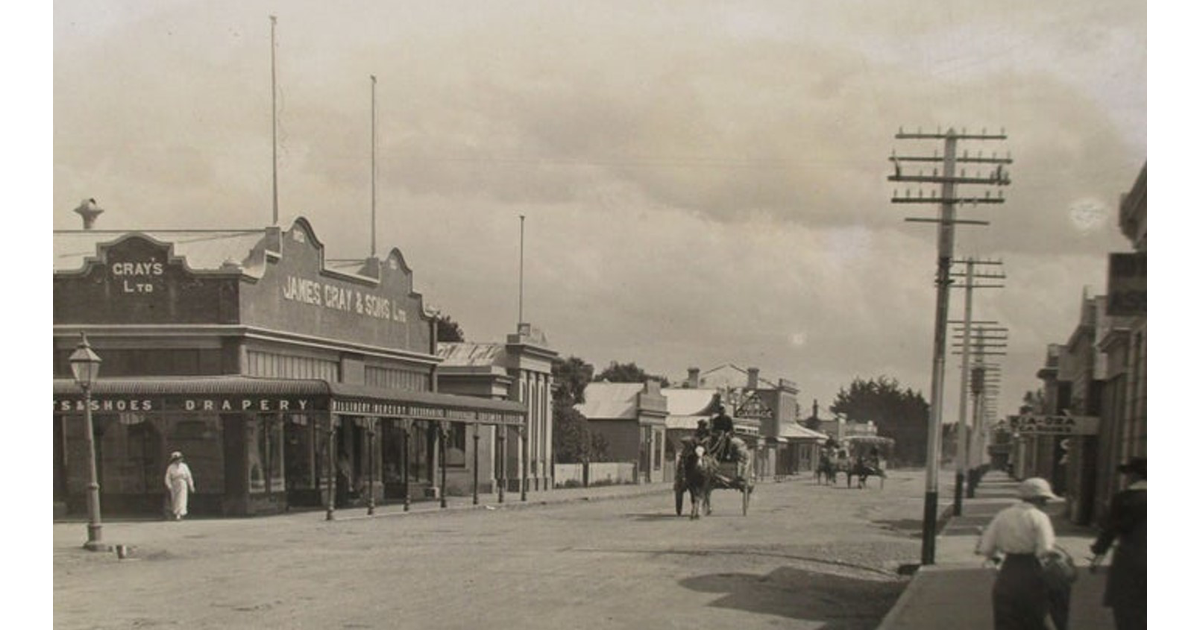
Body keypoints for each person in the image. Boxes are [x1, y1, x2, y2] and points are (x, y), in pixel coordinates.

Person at [976, 477, 1065, 629]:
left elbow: (985, 547)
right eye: (1045, 500)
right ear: (1039, 498)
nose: (1045, 504)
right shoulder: (1040, 517)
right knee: (1038, 619)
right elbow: (1045, 549)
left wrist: (996, 556)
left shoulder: (1002, 515)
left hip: (1007, 572)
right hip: (1031, 571)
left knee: (1006, 621)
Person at [1089, 456, 1147, 630]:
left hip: (1131, 558)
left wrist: (1098, 555)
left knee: (1127, 607)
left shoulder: (1124, 499)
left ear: (1135, 476)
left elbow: (1110, 530)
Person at [164, 451, 195, 521]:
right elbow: (167, 477)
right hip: (174, 483)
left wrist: (191, 485)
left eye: (179, 458)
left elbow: (188, 476)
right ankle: (176, 513)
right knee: (175, 499)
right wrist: (169, 485)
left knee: (182, 498)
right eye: (176, 459)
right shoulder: (171, 467)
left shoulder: (184, 466)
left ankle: (180, 514)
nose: (178, 460)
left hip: (183, 483)